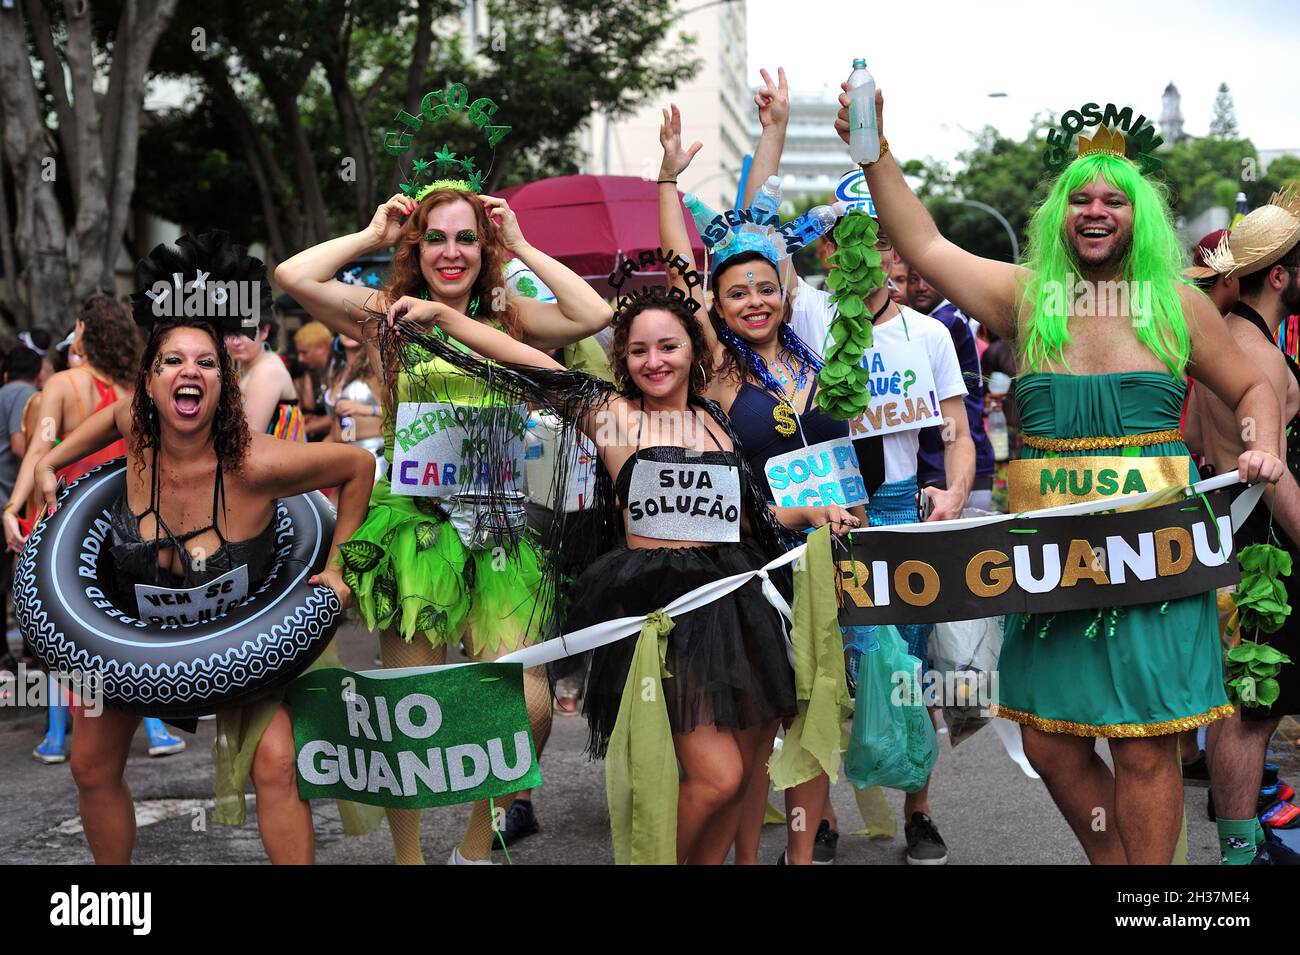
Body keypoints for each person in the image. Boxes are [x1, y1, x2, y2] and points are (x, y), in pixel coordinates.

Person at [835, 82, 1283, 863]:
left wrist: (1260, 441)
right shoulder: (1025, 298)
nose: (1097, 209)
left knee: (1146, 747)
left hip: (1156, 561)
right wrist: (873, 153)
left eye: (1115, 198)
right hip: (1049, 566)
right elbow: (928, 244)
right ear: (1060, 217)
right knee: (1047, 740)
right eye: (1081, 199)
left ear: (1138, 215)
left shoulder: (1174, 306)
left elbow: (1252, 386)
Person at [381, 285, 856, 863]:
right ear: (622, 360)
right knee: (719, 776)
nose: (654, 361)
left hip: (733, 601)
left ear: (693, 352)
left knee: (740, 772)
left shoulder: (715, 423)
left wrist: (812, 511)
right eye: (638, 351)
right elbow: (522, 358)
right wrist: (440, 315)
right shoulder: (612, 416)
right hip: (660, 614)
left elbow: (748, 517)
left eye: (668, 347)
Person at [275, 182, 613, 864]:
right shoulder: (386, 316)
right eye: (436, 238)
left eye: (466, 238)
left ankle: (474, 848)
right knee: (411, 710)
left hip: (500, 529)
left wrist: (518, 243)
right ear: (417, 247)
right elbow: (292, 275)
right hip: (414, 533)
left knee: (530, 702)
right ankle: (409, 859)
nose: (452, 252)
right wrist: (373, 235)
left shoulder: (510, 316)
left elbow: (593, 311)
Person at [14, 231, 375, 863]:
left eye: (206, 363)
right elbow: (109, 417)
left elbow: (355, 469)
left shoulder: (258, 464)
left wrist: (340, 569)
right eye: (172, 361)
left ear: (223, 383)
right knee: (90, 766)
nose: (190, 372)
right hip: (133, 629)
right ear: (150, 381)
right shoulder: (136, 431)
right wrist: (50, 461)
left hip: (244, 628)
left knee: (276, 764)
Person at [752, 78, 975, 865]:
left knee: (912, 669)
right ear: (823, 249)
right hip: (825, 508)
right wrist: (775, 141)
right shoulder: (809, 313)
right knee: (814, 670)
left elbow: (958, 434)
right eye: (843, 239)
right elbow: (751, 235)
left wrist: (952, 489)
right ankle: (820, 825)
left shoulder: (932, 333)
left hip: (904, 511)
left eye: (877, 239)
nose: (862, 253)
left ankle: (919, 808)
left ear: (897, 250)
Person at [3, 296, 189, 761]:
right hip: (130, 521)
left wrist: (11, 506)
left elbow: (38, 452)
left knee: (59, 630)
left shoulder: (64, 385)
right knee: (130, 622)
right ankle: (157, 729)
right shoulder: (139, 386)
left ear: (84, 330)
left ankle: (53, 735)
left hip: (66, 526)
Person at [1191, 191, 1300, 863]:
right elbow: (1270, 468)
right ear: (1280, 274)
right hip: (1260, 541)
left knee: (1249, 702)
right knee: (1249, 706)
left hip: (1242, 536)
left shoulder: (1229, 338)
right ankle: (1238, 854)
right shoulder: (1252, 352)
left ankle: (1247, 840)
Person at [909, 266, 996, 511]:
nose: (920, 287)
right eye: (912, 280)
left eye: (929, 278)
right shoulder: (949, 317)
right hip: (958, 454)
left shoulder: (941, 324)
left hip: (950, 459)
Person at [0, 346, 42, 683]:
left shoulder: (3, 392)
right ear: (39, 372)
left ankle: (9, 656)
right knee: (22, 577)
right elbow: (19, 445)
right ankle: (31, 651)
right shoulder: (25, 394)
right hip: (11, 501)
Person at [225, 314, 304, 440]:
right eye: (229, 333)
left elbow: (247, 438)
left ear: (264, 331)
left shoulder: (267, 371)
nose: (236, 341)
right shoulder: (245, 365)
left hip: (276, 458)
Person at [294, 320, 337, 440]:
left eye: (304, 353)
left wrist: (308, 428)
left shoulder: (338, 369)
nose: (300, 359)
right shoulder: (322, 371)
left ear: (321, 348)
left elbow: (343, 413)